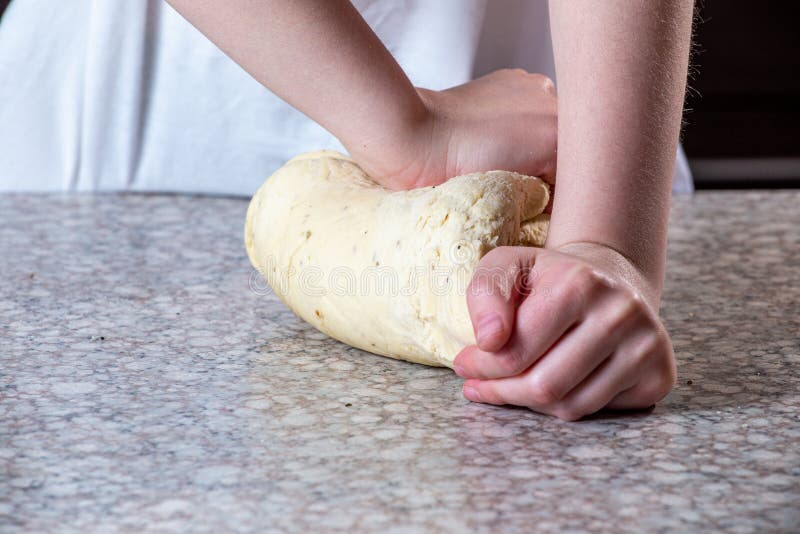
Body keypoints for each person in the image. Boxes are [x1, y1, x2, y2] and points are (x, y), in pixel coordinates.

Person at [0, 0, 695, 420]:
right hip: (141, 118)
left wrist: (603, 240)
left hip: (578, 107)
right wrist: (407, 126)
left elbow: (598, 258)